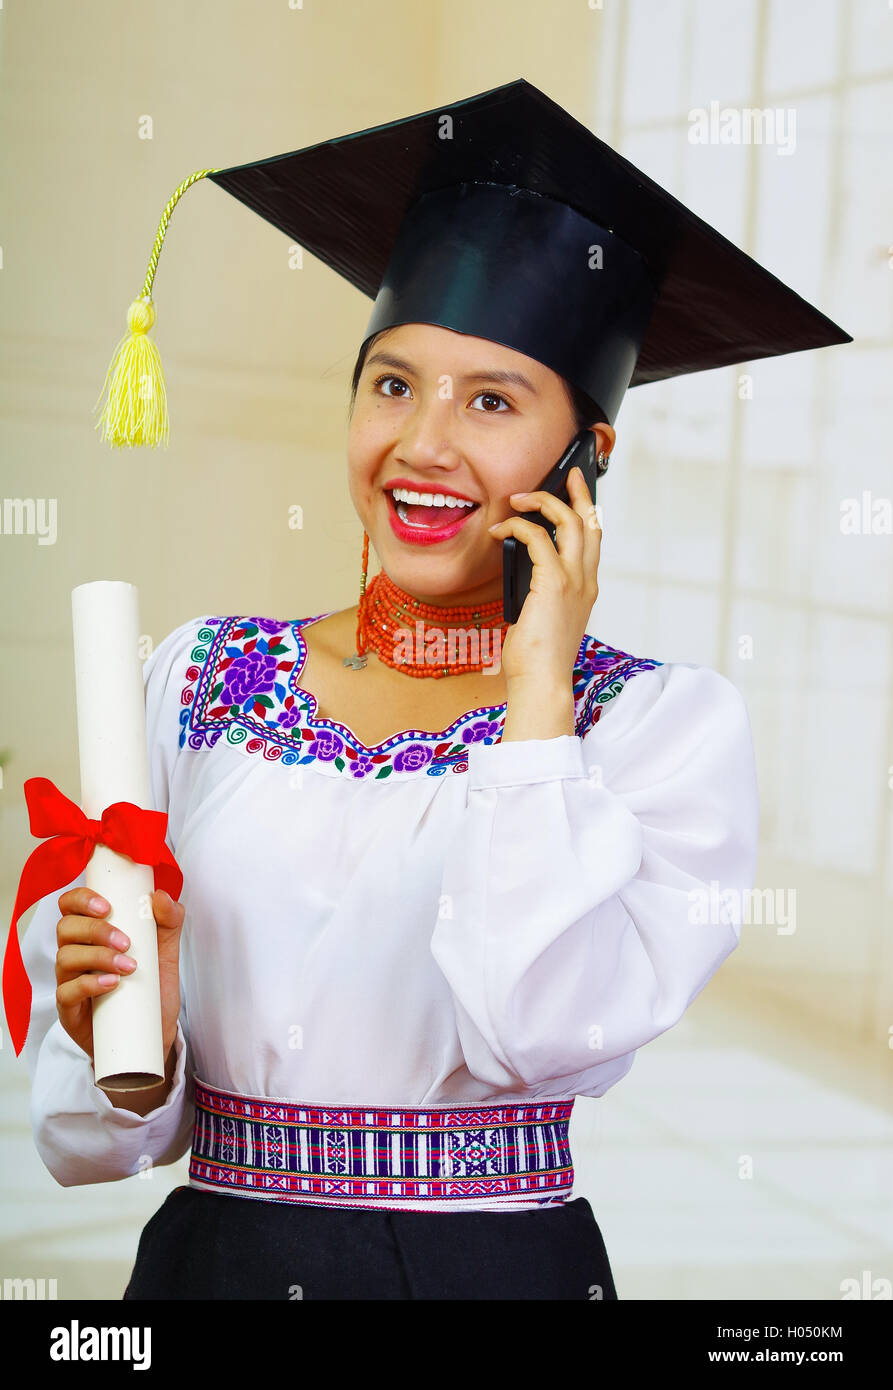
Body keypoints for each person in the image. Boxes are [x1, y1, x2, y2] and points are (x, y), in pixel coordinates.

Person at [11, 79, 850, 1300]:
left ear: (586, 456)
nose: (422, 446)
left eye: (492, 402)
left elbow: (527, 1030)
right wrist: (119, 1043)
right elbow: (98, 1142)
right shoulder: (195, 680)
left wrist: (535, 696)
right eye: (392, 384)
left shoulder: (654, 731)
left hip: (491, 1275)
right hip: (214, 1269)